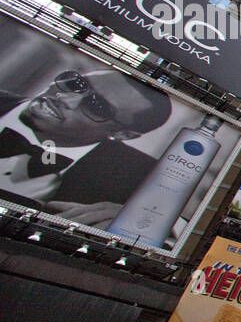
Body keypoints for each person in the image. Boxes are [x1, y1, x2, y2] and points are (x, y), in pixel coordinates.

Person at [0, 68, 173, 224]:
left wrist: (134, 223)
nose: (64, 98)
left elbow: (171, 231)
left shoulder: (144, 176)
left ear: (123, 134)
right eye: (75, 84)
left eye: (96, 105)